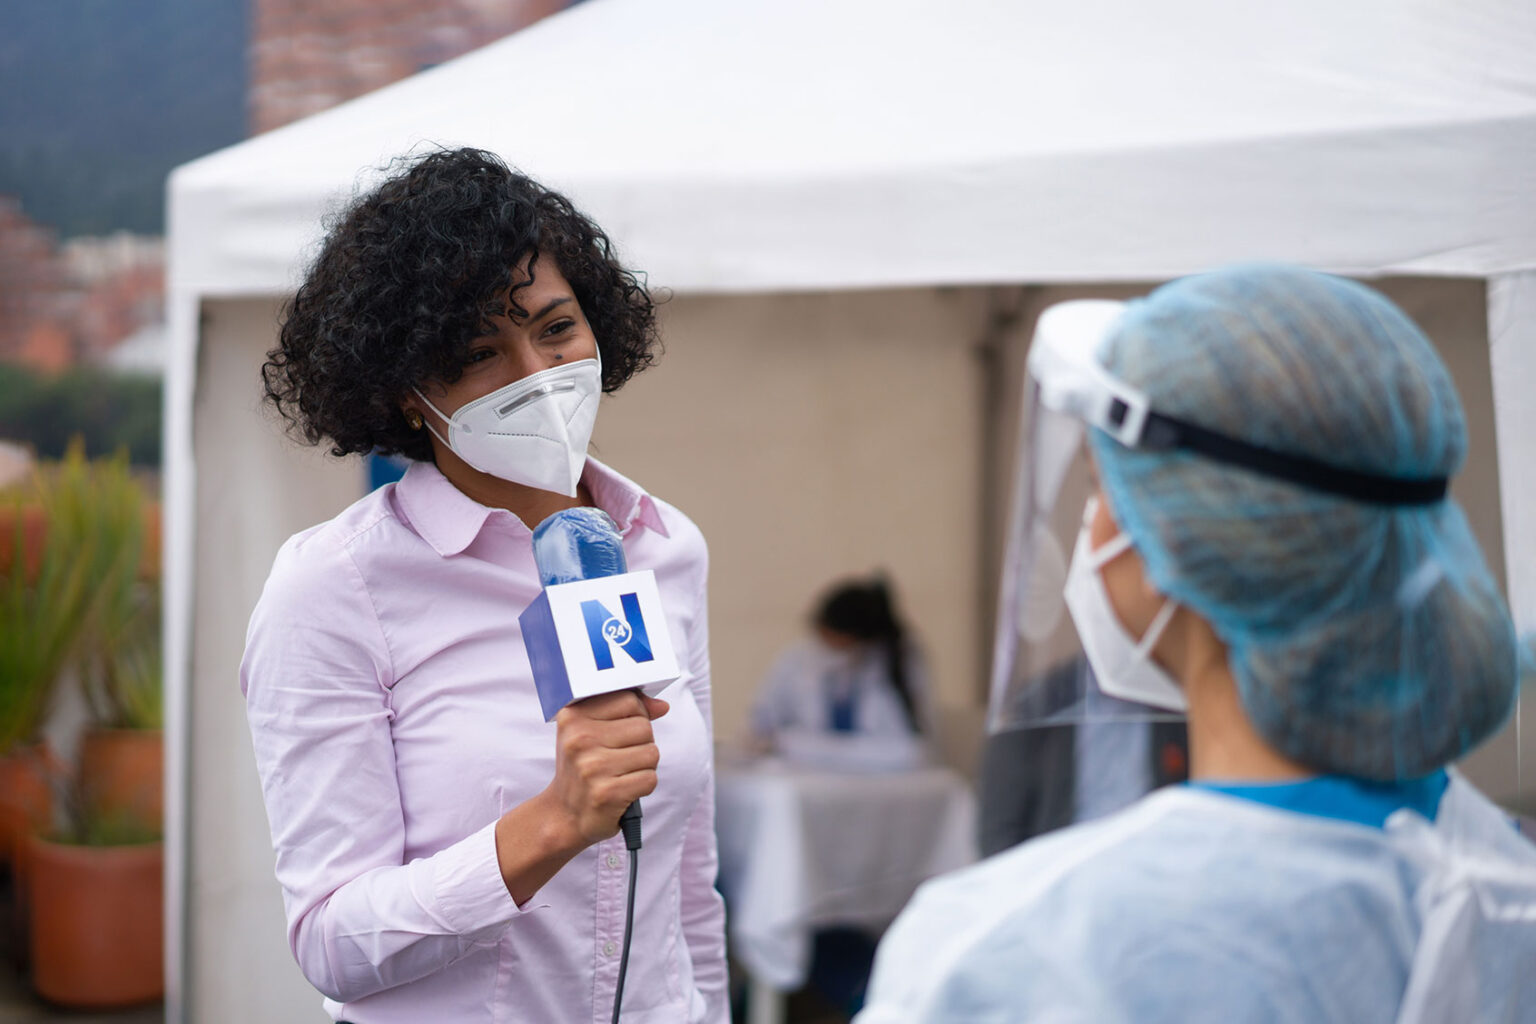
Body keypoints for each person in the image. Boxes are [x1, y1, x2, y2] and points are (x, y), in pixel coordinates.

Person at [856, 265, 1536, 1023]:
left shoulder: (1002, 959)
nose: (1092, 531)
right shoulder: (1500, 877)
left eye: (1102, 491)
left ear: (1172, 548)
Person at [241, 148, 726, 1023]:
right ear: (403, 394)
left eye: (554, 328)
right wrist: (550, 825)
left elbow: (689, 877)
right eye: (477, 351)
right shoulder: (334, 589)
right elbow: (328, 940)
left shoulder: (665, 545)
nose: (537, 376)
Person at [748, 576, 931, 769]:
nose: (824, 645)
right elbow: (761, 723)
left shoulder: (900, 664)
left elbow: (910, 749)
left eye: (833, 638)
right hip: (811, 781)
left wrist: (800, 746)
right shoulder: (796, 660)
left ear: (860, 639)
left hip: (884, 783)